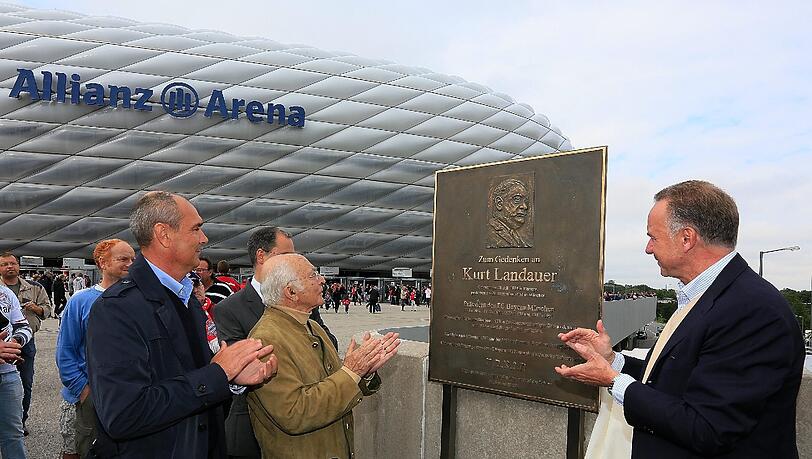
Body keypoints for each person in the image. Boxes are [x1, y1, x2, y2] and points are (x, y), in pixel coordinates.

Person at [555, 180, 804, 458]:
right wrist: (613, 360)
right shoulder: (709, 295)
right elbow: (671, 379)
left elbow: (709, 429)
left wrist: (614, 381)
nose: (648, 249)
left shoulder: (753, 311)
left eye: (653, 237)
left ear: (687, 238)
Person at [86, 191, 278, 458]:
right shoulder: (116, 309)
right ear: (164, 234)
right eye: (196, 229)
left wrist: (232, 380)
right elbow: (123, 414)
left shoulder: (186, 298)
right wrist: (218, 374)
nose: (204, 238)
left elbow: (197, 383)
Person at [247, 253, 400, 459]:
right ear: (291, 292)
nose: (322, 280)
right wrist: (351, 371)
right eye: (312, 275)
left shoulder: (313, 326)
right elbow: (294, 413)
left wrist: (363, 373)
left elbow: (333, 385)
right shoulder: (266, 340)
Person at [214, 226, 337, 459]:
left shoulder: (303, 301)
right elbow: (242, 367)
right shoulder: (229, 309)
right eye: (285, 255)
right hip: (251, 432)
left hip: (302, 430)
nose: (292, 260)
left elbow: (328, 344)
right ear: (262, 256)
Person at [56, 239, 135, 459]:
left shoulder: (137, 300)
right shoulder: (81, 301)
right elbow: (66, 351)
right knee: (78, 451)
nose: (130, 263)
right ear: (103, 262)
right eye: (123, 259)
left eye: (133, 259)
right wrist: (83, 391)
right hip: (85, 395)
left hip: (124, 397)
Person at [0, 251, 52, 436]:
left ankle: (20, 421)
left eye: (12, 263)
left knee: (25, 382)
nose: (10, 267)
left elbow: (47, 310)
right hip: (1, 342)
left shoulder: (34, 287)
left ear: (18, 266)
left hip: (25, 342)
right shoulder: (1, 290)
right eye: (5, 264)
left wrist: (34, 308)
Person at [0, 283, 32, 459]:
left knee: (13, 434)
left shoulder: (5, 293)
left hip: (8, 374)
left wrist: (15, 343)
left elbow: (23, 327)